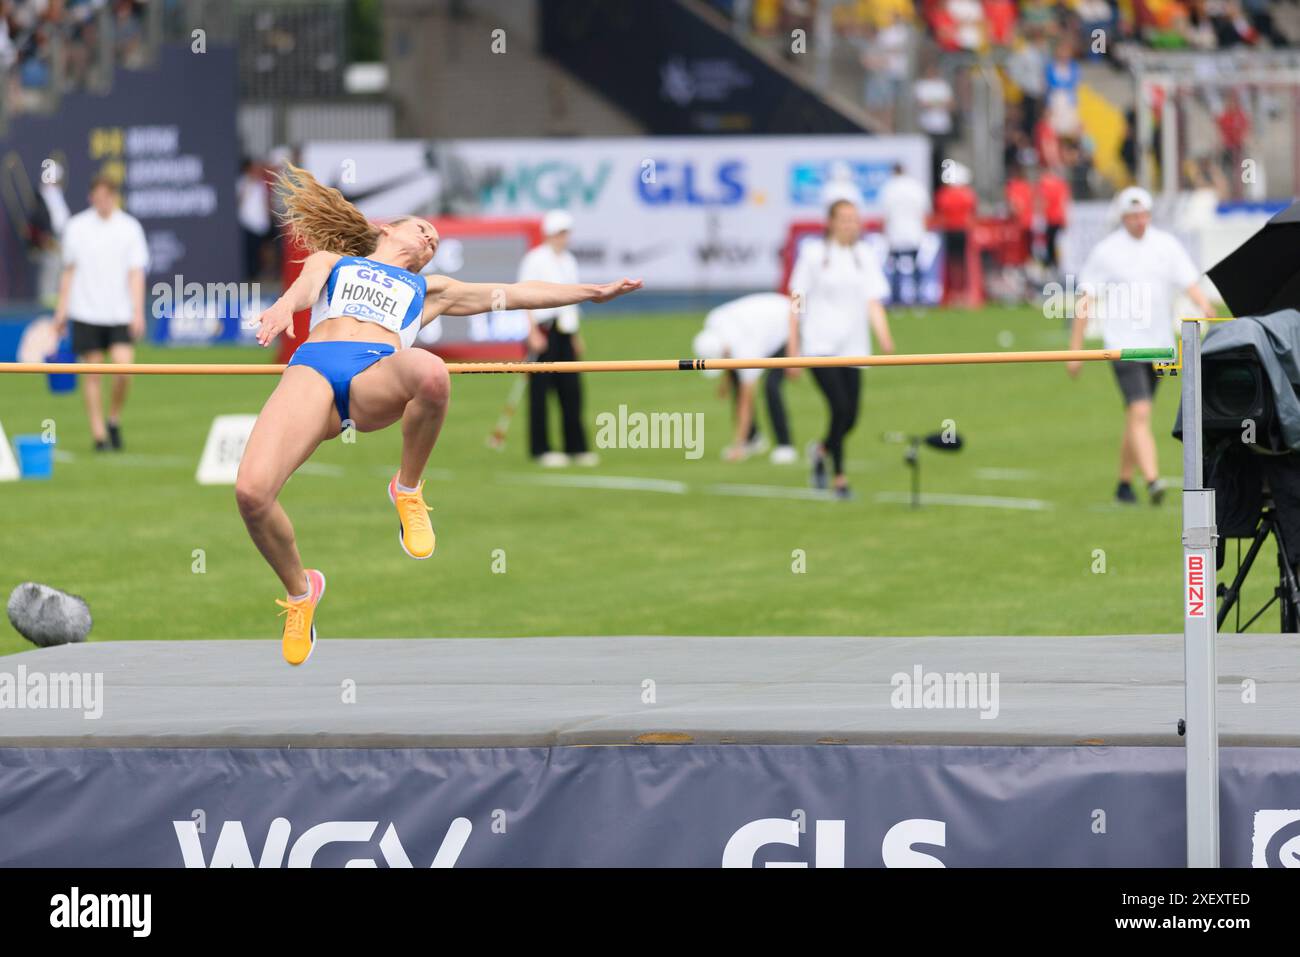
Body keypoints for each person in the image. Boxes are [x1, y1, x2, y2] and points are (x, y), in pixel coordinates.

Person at [242, 165, 641, 665]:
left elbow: (512, 295)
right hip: (313, 371)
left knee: (432, 373)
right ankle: (302, 593)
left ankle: (407, 489)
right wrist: (282, 310)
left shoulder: (428, 290)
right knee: (252, 494)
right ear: (387, 228)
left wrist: (591, 293)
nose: (430, 236)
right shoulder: (333, 261)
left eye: (434, 239)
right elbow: (303, 291)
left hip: (374, 377)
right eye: (420, 228)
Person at [1067, 187, 1214, 505]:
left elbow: (1188, 281)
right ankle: (1152, 481)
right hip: (1123, 345)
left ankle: (1123, 485)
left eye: (1143, 214)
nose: (1139, 221)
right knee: (1140, 410)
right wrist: (1075, 350)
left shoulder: (1166, 245)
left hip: (1161, 346)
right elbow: (1086, 300)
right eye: (1132, 216)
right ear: (1122, 217)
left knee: (1137, 416)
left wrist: (1205, 306)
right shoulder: (1107, 251)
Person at [787, 199, 895, 500]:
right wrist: (793, 348)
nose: (851, 224)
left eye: (855, 219)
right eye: (845, 219)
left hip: (855, 347)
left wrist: (884, 337)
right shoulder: (814, 254)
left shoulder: (864, 255)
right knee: (839, 408)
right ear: (831, 222)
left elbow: (873, 300)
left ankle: (821, 451)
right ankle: (840, 478)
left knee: (851, 417)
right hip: (819, 346)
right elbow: (797, 298)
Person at [52, 176, 149, 452]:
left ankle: (113, 418)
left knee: (123, 370)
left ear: (115, 197)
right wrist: (61, 311)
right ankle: (98, 435)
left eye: (107, 196)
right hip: (85, 311)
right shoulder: (76, 227)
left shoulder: (129, 228)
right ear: (90, 197)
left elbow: (136, 274)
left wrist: (138, 312)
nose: (102, 202)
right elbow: (68, 272)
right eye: (97, 196)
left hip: (119, 312)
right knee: (92, 373)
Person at [520, 209, 596, 467]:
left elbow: (571, 300)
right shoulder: (535, 259)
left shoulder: (569, 260)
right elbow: (524, 296)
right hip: (543, 330)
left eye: (567, 232)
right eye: (561, 232)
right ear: (550, 234)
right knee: (540, 393)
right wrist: (531, 332)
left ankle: (577, 446)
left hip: (565, 330)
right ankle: (541, 449)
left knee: (572, 390)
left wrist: (575, 334)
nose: (565, 237)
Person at [692, 292, 796, 464]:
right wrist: (725, 381)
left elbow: (746, 400)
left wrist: (737, 447)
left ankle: (785, 446)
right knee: (736, 381)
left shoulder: (745, 350)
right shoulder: (714, 320)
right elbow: (727, 356)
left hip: (786, 327)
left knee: (771, 386)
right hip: (767, 319)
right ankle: (752, 438)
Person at [878, 162, 930, 307]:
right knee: (916, 267)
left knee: (895, 267)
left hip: (895, 233)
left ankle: (896, 299)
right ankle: (919, 298)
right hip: (914, 232)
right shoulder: (915, 187)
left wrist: (884, 233)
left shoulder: (889, 188)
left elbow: (885, 215)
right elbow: (923, 212)